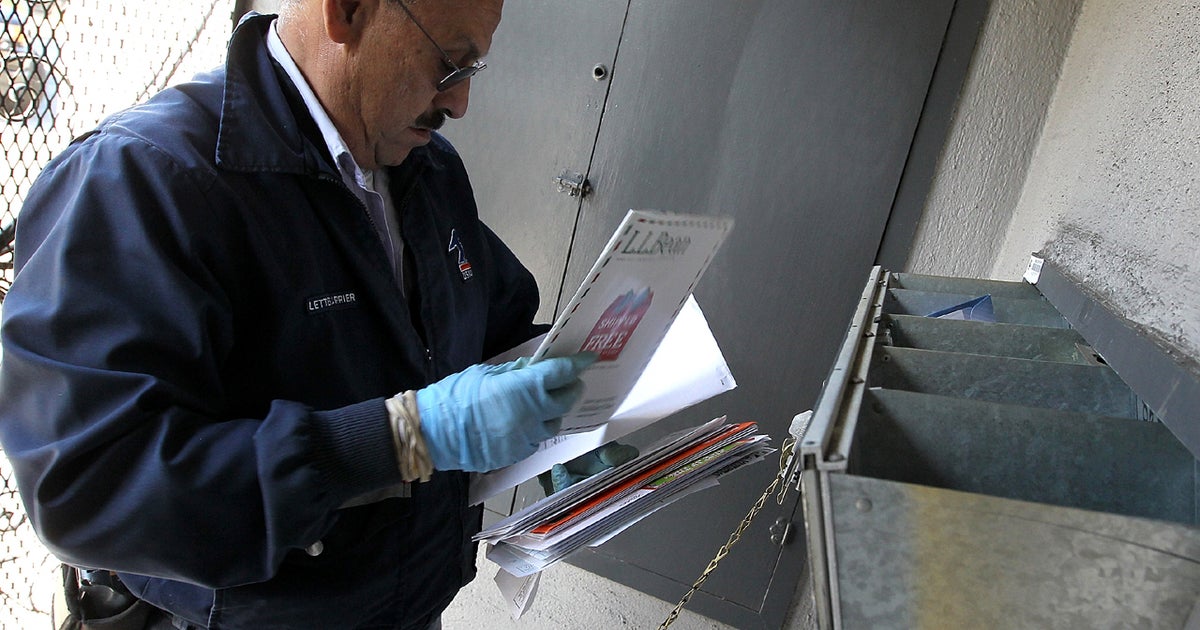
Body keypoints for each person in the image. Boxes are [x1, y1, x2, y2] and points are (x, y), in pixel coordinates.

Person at [0, 1, 615, 628]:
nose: (458, 104)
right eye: (449, 65)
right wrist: (405, 438)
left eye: (472, 70)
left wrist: (559, 408)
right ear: (346, 12)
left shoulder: (426, 169)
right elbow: (87, 489)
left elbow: (490, 320)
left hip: (411, 604)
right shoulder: (144, 178)